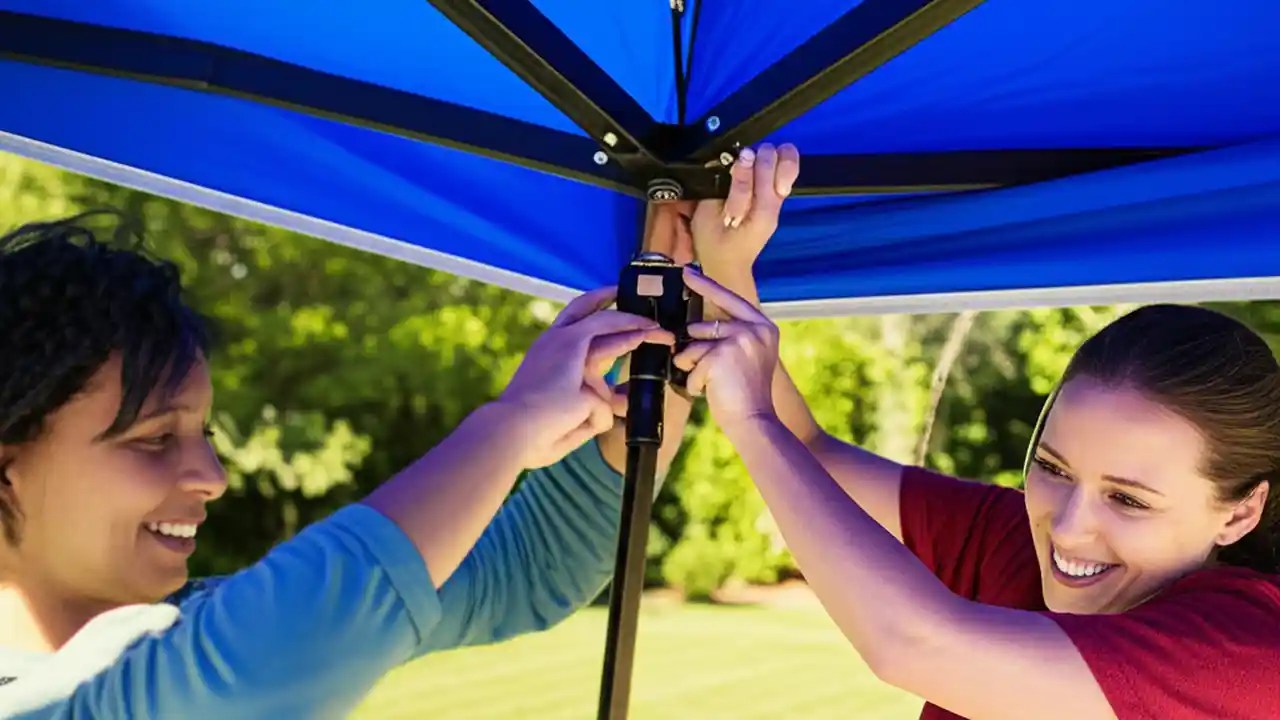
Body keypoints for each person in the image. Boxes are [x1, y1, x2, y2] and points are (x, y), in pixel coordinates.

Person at [0, 209, 693, 718]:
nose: (212, 476)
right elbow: (260, 657)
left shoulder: (186, 620)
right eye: (153, 439)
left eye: (203, 433)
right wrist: (508, 427)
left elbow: (527, 568)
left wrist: (672, 324)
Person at [683, 144, 1280, 719]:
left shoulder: (1249, 658)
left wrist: (752, 421)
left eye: (1127, 499)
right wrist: (727, 267)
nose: (1068, 529)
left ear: (1240, 512)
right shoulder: (1018, 545)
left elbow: (913, 646)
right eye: (1052, 469)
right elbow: (810, 456)